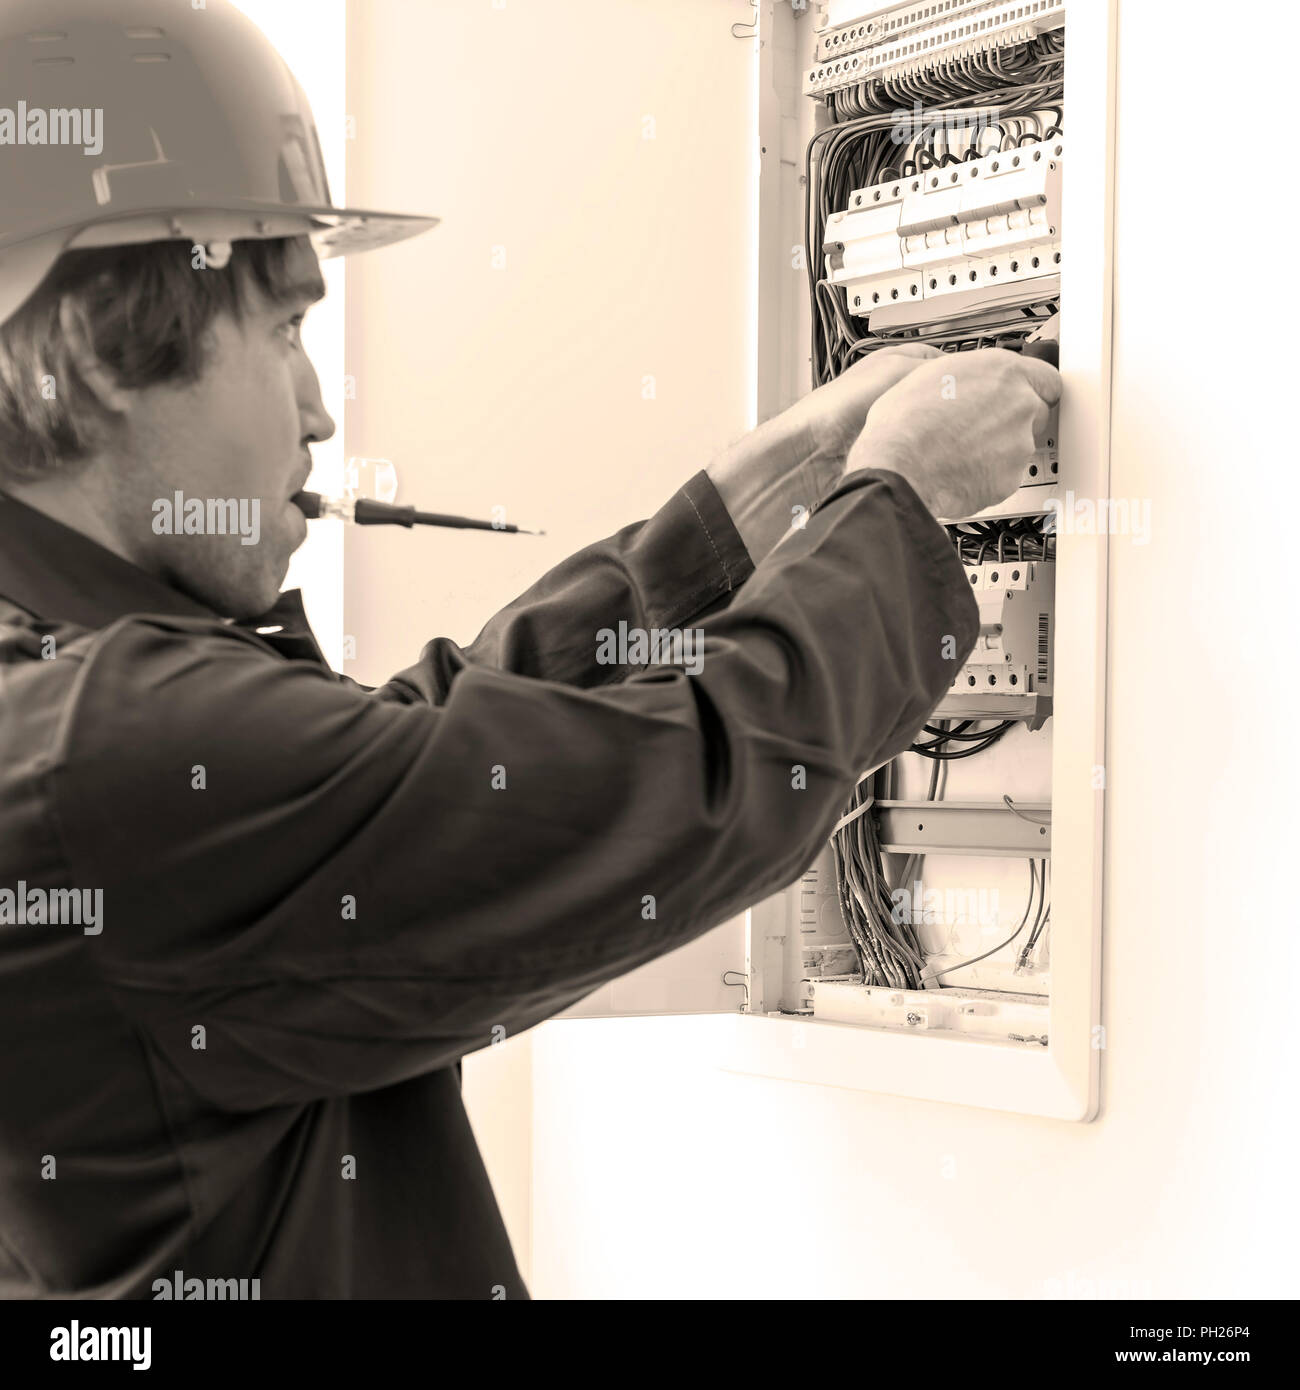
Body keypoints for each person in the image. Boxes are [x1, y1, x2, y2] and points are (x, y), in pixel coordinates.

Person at [0, 0, 1060, 1298]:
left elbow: (419, 752)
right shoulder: (104, 751)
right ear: (100, 357)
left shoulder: (66, 699)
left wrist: (741, 516)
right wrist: (900, 498)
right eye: (283, 332)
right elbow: (683, 786)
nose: (322, 409)